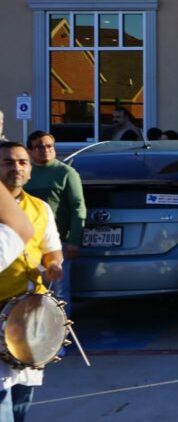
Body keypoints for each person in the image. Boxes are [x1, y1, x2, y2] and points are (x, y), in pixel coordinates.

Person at [0, 142, 64, 422]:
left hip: (31, 313)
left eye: (22, 162)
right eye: (8, 162)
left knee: (24, 393)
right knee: (0, 394)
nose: (17, 168)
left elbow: (52, 247)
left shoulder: (41, 208)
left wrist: (54, 265)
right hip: (0, 308)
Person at [24, 131, 85, 310]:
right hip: (30, 244)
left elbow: (78, 207)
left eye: (49, 146)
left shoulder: (66, 173)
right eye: (39, 146)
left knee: (58, 292)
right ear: (30, 151)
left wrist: (74, 240)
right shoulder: (26, 174)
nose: (45, 150)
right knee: (33, 292)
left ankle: (61, 334)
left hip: (59, 244)